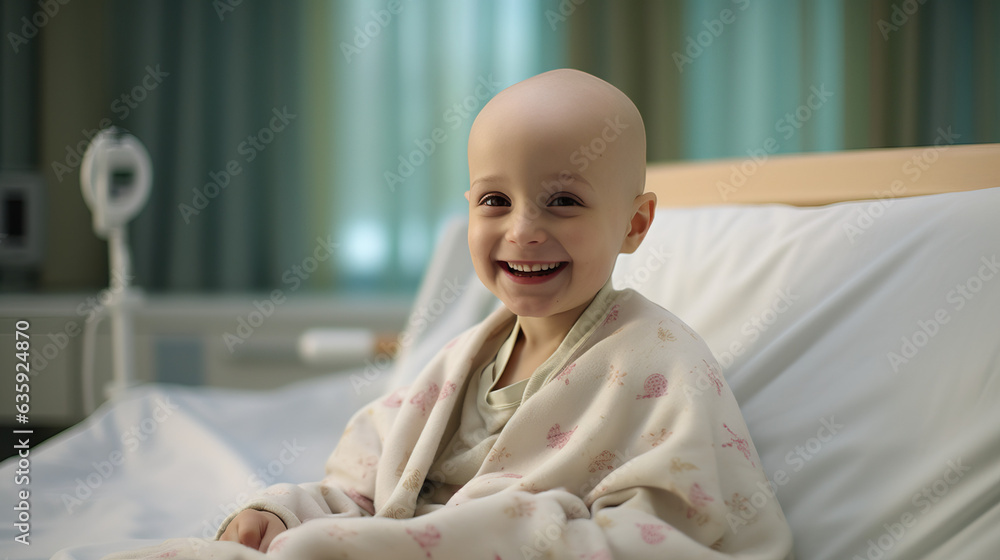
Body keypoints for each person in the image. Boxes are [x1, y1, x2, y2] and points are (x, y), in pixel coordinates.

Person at [108, 68, 792, 559]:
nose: (522, 231)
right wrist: (282, 512)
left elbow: (664, 536)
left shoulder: (659, 362)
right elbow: (366, 489)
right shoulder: (460, 363)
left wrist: (483, 530)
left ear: (635, 224)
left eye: (563, 201)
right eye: (495, 201)